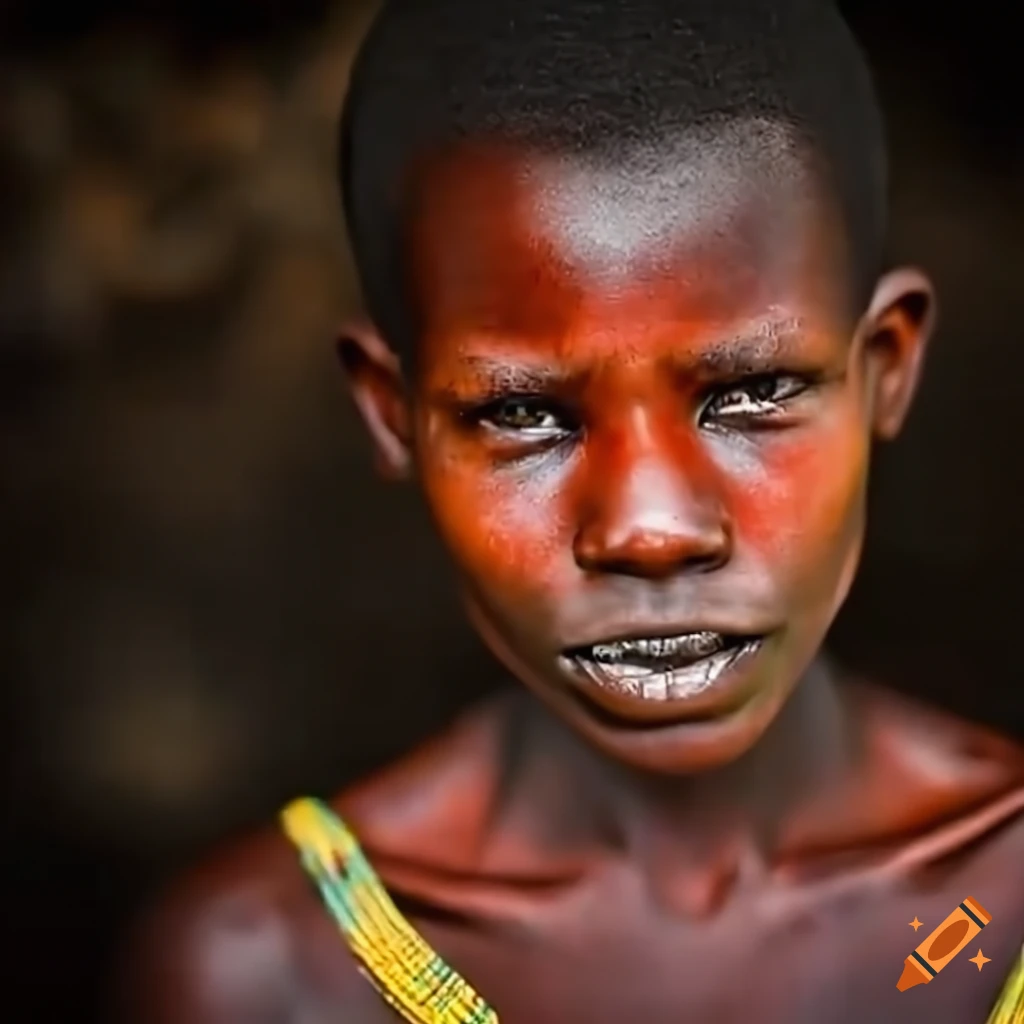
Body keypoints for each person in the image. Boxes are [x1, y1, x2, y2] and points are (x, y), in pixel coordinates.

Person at [119, 0, 1024, 1021]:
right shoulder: (272, 968)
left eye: (753, 393)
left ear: (884, 369)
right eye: (520, 414)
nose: (649, 529)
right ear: (393, 417)